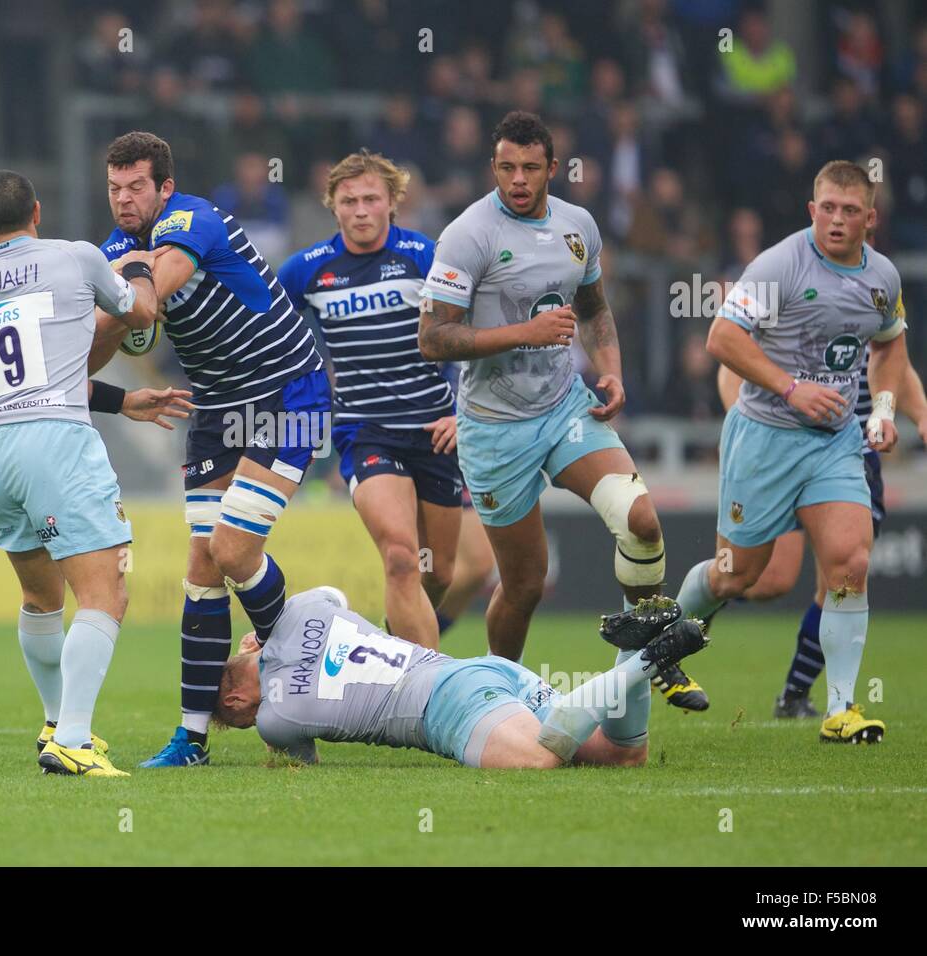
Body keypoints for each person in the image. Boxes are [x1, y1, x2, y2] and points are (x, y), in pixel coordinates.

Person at [417, 111, 702, 712]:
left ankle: (655, 651)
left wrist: (611, 369)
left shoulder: (579, 226)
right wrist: (525, 332)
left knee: (641, 519)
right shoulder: (467, 235)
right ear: (493, 168)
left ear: (552, 167)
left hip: (564, 408)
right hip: (494, 429)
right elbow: (433, 338)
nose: (517, 180)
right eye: (506, 168)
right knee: (524, 585)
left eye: (529, 168)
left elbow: (594, 308)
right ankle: (500, 700)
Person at [90, 131, 331, 768]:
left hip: (287, 391)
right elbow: (102, 338)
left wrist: (120, 288)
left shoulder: (193, 219)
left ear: (164, 188)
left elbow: (145, 305)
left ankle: (302, 684)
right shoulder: (115, 249)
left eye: (136, 186)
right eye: (114, 188)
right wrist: (89, 383)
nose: (123, 199)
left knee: (231, 549)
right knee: (201, 565)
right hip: (217, 407)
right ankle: (192, 739)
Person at [0, 169, 187, 777]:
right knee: (105, 594)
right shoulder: (76, 257)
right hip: (56, 442)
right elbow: (143, 314)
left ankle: (56, 724)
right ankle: (74, 741)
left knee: (40, 597)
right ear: (37, 213)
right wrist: (137, 266)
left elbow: (29, 371)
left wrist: (120, 401)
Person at [672, 161, 909, 744]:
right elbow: (722, 338)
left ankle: (840, 709)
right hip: (766, 437)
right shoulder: (779, 265)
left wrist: (882, 409)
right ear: (811, 210)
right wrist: (790, 388)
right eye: (827, 208)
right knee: (737, 575)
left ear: (870, 219)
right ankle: (663, 642)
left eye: (849, 210)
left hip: (834, 443)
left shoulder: (883, 277)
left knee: (850, 563)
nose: (836, 219)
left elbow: (889, 346)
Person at [278, 150, 460, 649]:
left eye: (371, 199)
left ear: (392, 202)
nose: (360, 210)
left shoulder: (426, 256)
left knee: (438, 573)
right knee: (401, 558)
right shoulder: (307, 270)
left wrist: (463, 414)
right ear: (332, 206)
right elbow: (269, 331)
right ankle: (427, 689)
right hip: (366, 432)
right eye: (349, 201)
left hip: (436, 431)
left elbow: (471, 336)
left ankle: (396, 641)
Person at [212, 589, 707, 769]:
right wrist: (263, 639)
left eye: (239, 721)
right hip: (483, 670)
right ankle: (633, 649)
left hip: (448, 708)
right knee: (622, 755)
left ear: (234, 701)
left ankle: (646, 659)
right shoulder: (302, 609)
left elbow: (301, 759)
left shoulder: (275, 718)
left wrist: (269, 725)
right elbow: (333, 594)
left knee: (540, 759)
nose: (251, 723)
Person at [714, 355, 927, 717]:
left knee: (842, 579)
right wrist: (748, 427)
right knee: (769, 580)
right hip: (781, 448)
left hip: (850, 455)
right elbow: (732, 358)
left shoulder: (875, 318)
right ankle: (695, 607)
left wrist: (921, 416)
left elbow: (894, 359)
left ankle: (799, 696)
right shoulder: (787, 317)